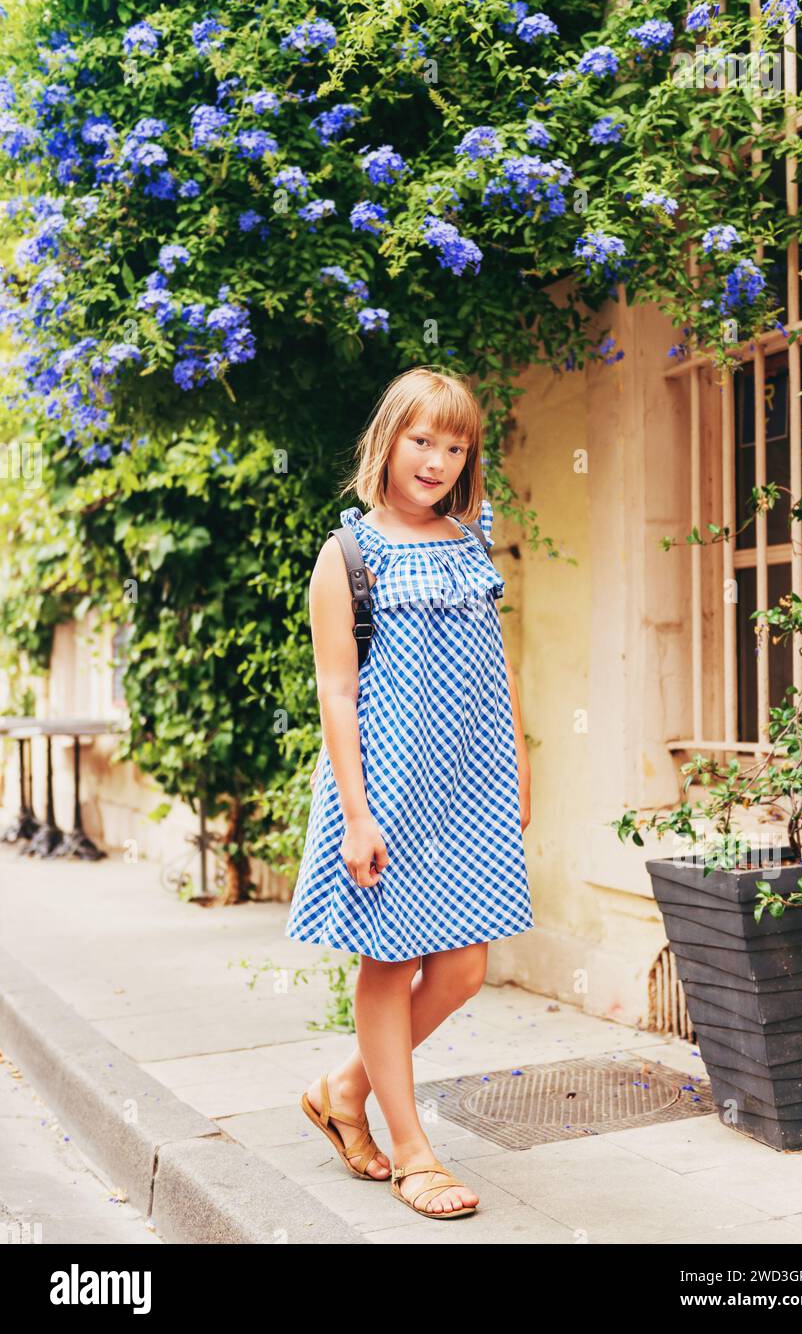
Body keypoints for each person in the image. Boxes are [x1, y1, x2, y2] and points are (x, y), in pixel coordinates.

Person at [284, 365, 534, 1220]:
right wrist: (356, 815)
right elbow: (337, 692)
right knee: (390, 960)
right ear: (388, 441)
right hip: (384, 787)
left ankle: (342, 1090)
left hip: (469, 786)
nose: (436, 459)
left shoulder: (469, 543)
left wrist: (520, 769)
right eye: (422, 439)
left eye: (454, 445)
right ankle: (414, 1154)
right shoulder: (348, 552)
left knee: (464, 966)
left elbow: (496, 669)